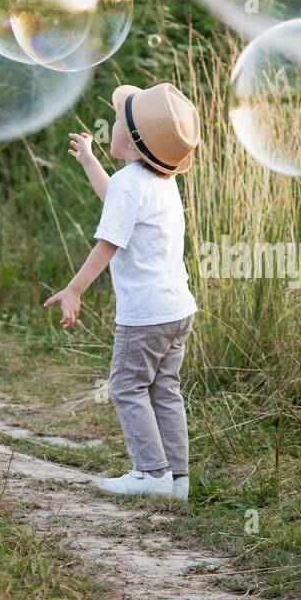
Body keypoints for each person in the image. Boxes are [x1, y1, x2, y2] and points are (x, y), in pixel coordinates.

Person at [44, 81, 200, 500]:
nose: (111, 122)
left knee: (126, 388)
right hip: (177, 309)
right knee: (164, 389)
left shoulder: (132, 182)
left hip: (145, 317)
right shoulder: (157, 180)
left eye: (116, 118)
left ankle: (151, 475)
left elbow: (109, 241)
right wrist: (91, 163)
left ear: (131, 139)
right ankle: (177, 479)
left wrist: (75, 289)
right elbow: (117, 203)